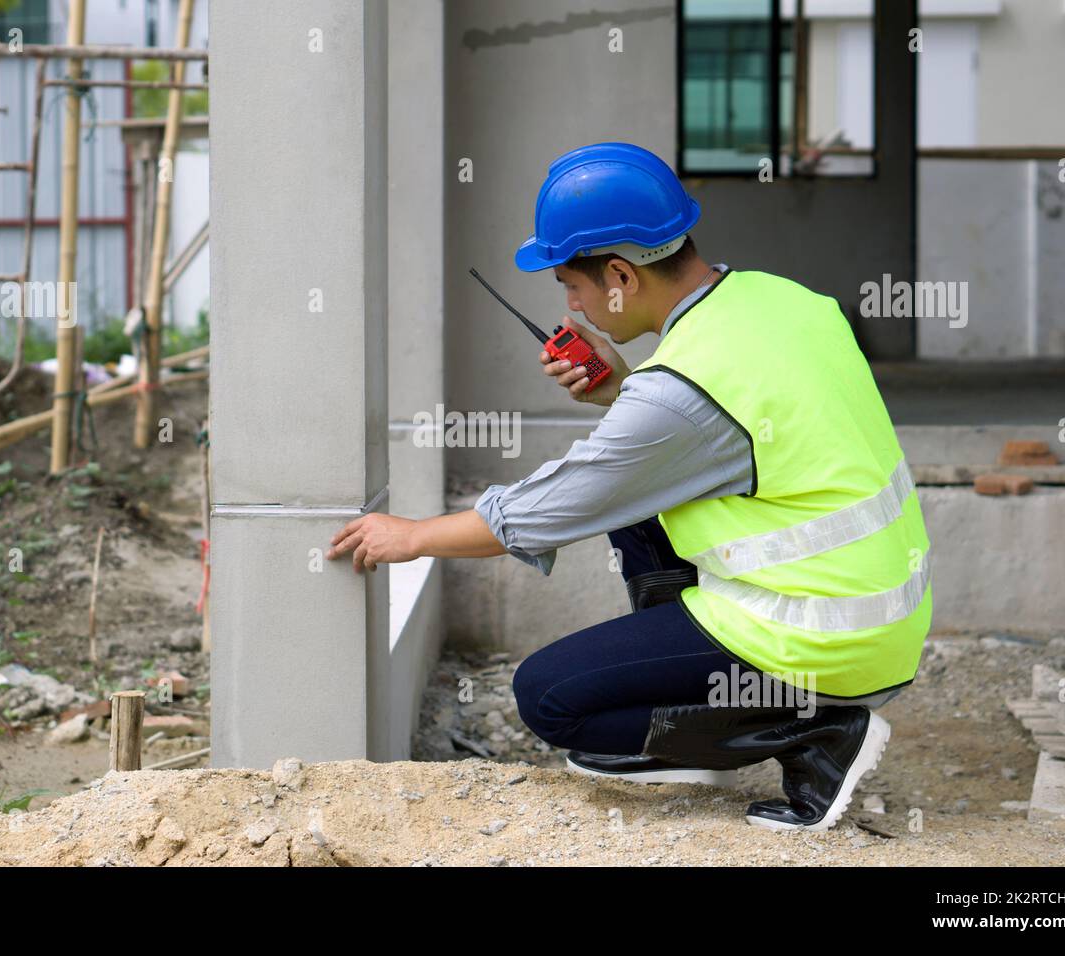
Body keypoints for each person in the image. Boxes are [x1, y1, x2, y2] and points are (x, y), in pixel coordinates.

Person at [326, 142, 932, 831]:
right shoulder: (782, 300)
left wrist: (412, 536)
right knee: (639, 509)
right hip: (879, 614)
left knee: (552, 700)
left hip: (822, 636)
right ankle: (716, 700)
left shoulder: (677, 394)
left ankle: (817, 733)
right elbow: (734, 434)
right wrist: (624, 390)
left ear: (619, 274)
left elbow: (558, 502)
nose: (572, 305)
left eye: (571, 285)